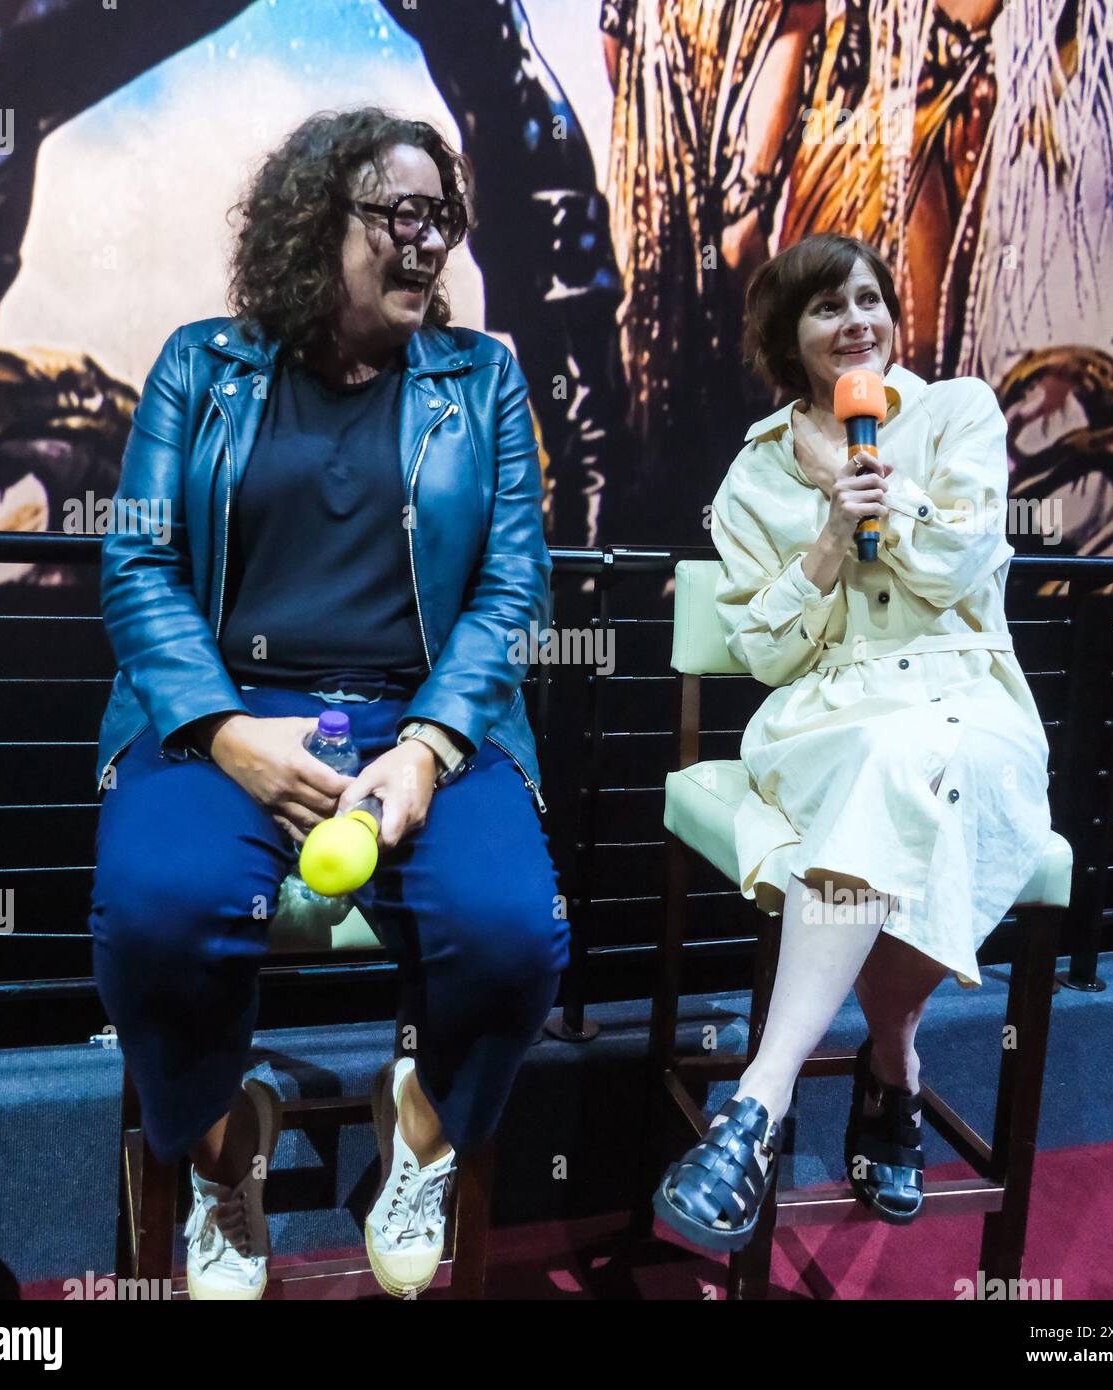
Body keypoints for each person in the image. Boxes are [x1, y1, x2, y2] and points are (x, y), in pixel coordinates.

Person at [89, 108, 569, 1300]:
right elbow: (138, 565)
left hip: (426, 719)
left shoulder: (483, 377)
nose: (428, 243)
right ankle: (222, 1150)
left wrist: (429, 744)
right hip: (229, 712)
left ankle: (417, 1131)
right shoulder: (199, 364)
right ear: (317, 221)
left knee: (515, 936)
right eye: (400, 214)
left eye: (440, 220)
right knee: (155, 915)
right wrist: (222, 730)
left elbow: (514, 586)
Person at [654, 232, 1052, 1251]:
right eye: (828, 307)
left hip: (969, 702)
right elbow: (764, 653)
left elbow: (962, 568)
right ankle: (883, 1074)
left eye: (870, 299)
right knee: (887, 764)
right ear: (790, 335)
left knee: (932, 766)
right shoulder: (751, 478)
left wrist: (891, 497)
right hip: (829, 713)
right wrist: (826, 542)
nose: (857, 322)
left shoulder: (953, 411)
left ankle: (764, 1103)